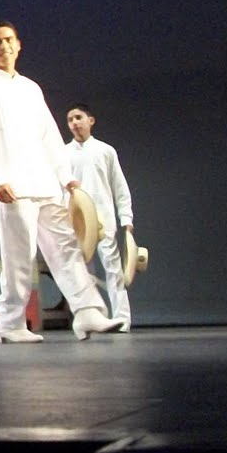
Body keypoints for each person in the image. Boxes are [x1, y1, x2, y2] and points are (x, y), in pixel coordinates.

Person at [0, 22, 123, 343]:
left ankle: (88, 311)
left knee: (66, 248)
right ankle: (8, 322)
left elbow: (49, 136)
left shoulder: (31, 88)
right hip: (12, 185)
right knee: (19, 256)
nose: (3, 46)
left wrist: (66, 178)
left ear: (18, 45)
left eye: (8, 40)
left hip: (45, 182)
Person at [65, 104, 136, 330]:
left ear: (90, 120)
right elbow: (60, 190)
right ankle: (94, 317)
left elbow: (119, 186)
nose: (75, 123)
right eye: (70, 119)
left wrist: (127, 218)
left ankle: (122, 318)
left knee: (113, 268)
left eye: (79, 117)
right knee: (83, 273)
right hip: (78, 222)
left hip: (104, 218)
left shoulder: (106, 150)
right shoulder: (63, 154)